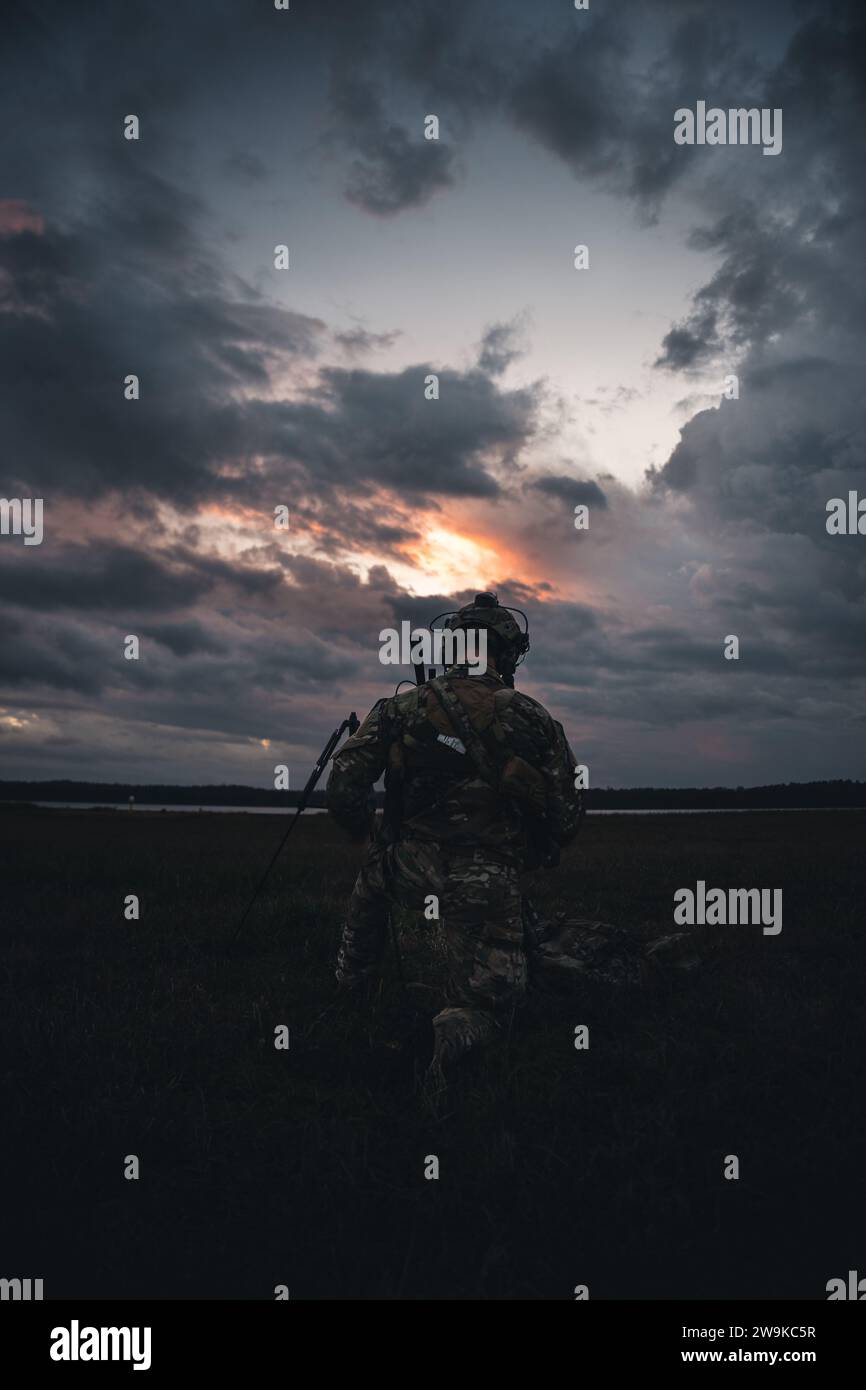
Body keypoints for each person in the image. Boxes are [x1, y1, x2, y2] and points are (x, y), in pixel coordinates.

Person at [326, 592, 582, 1086]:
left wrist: (371, 833)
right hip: (485, 882)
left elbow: (344, 781)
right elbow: (567, 817)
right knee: (496, 1008)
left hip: (408, 869)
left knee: (372, 878)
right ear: (506, 653)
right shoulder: (534, 718)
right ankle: (449, 1035)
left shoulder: (401, 707)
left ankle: (352, 987)